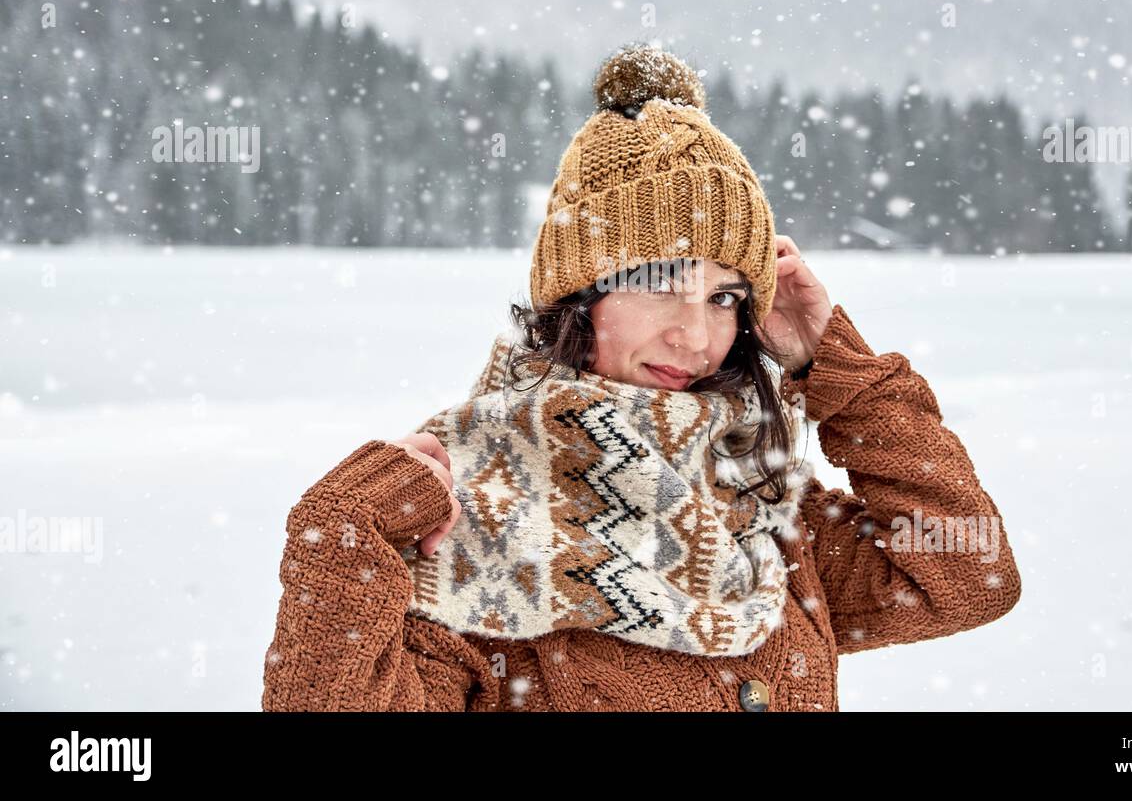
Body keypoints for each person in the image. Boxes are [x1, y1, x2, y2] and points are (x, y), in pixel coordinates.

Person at [260, 43, 1022, 712]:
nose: (696, 334)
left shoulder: (756, 504)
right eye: (660, 283)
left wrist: (836, 367)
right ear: (578, 295)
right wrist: (345, 537)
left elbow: (964, 571)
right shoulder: (462, 520)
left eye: (725, 296)